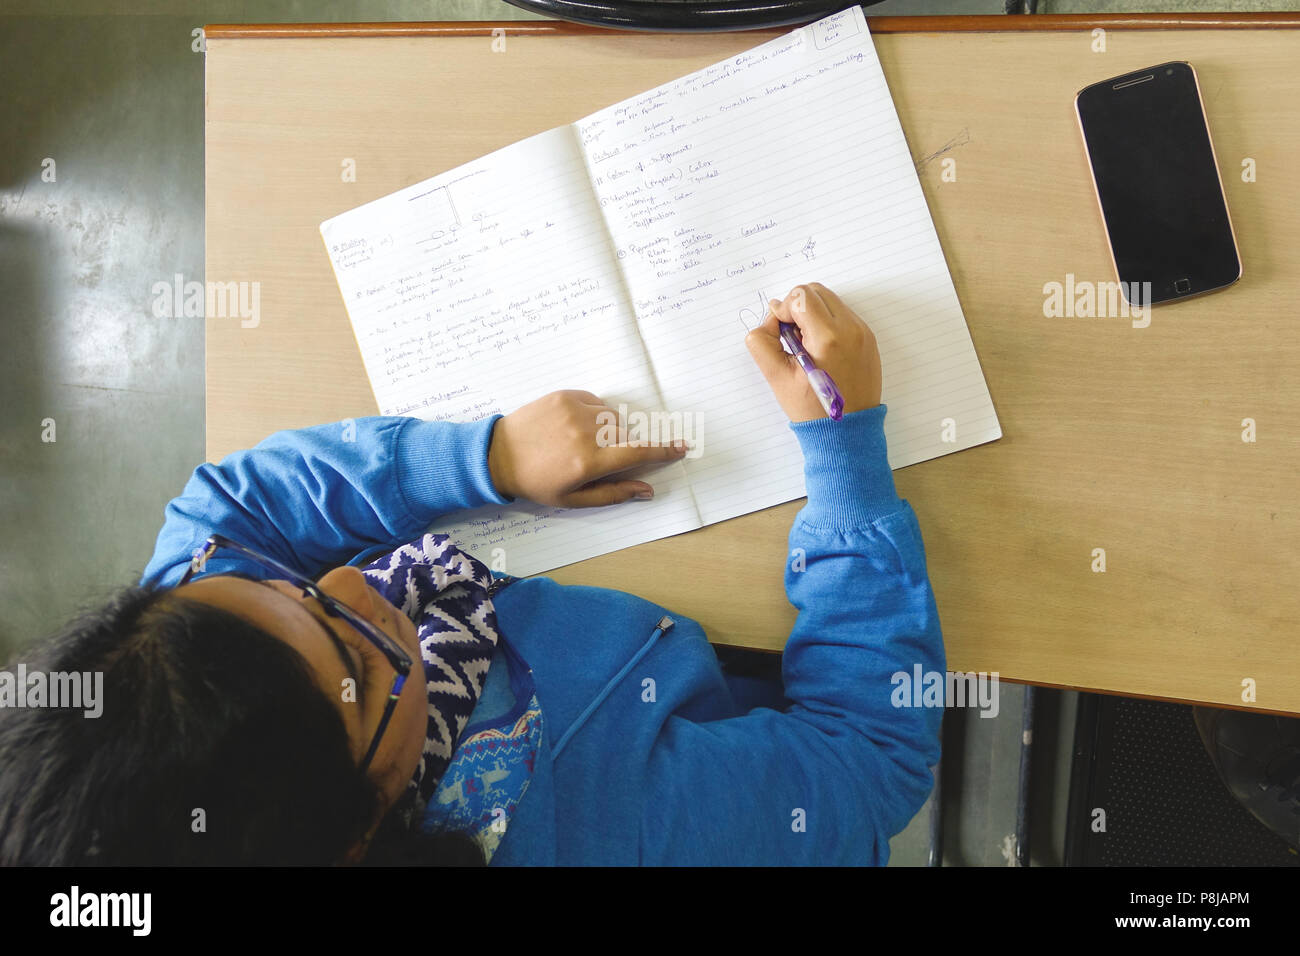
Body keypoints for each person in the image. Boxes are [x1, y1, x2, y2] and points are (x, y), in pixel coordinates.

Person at [0, 283, 944, 865]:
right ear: (362, 830)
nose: (354, 583)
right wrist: (842, 455)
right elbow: (865, 763)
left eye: (277, 585)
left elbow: (228, 513)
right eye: (361, 663)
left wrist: (480, 461)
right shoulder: (628, 831)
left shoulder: (174, 671)